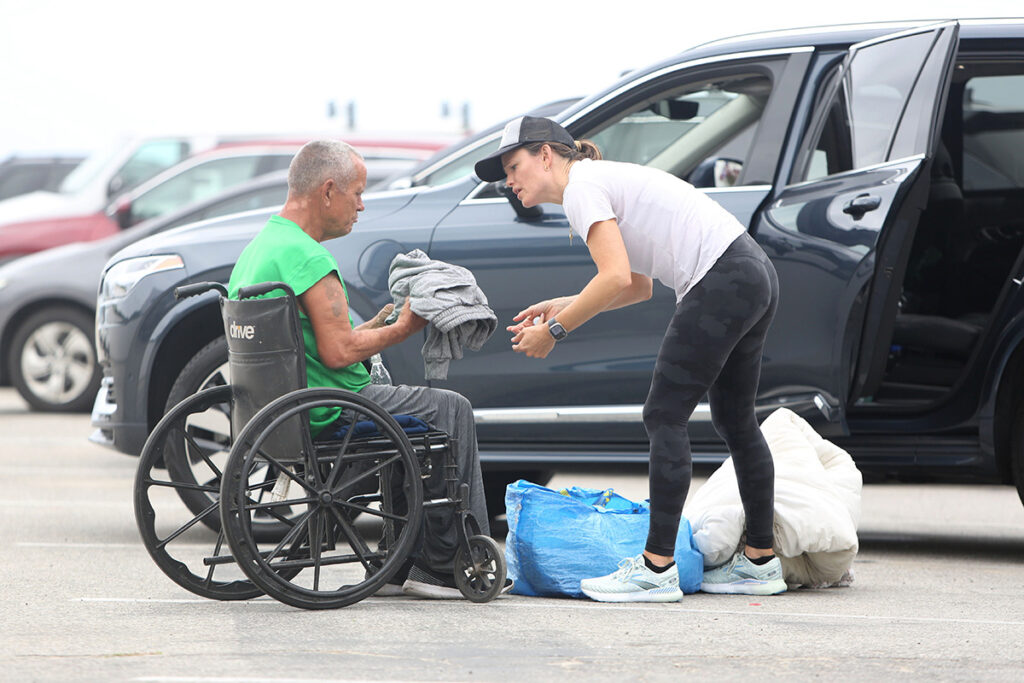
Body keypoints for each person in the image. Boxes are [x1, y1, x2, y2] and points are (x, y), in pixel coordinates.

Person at [474, 116, 785, 600]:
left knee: (664, 415)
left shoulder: (582, 188)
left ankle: (656, 569)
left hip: (721, 277)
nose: (508, 182)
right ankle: (760, 563)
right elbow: (635, 284)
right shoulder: (598, 182)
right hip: (750, 271)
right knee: (736, 421)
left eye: (513, 167)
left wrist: (556, 330)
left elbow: (616, 277)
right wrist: (565, 303)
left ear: (546, 155)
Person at [228, 139, 497, 599]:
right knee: (451, 410)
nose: (362, 204)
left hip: (276, 410)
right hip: (328, 409)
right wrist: (407, 325)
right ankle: (444, 565)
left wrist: (370, 329)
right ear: (328, 190)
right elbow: (338, 353)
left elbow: (313, 343)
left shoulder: (263, 247)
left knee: (410, 413)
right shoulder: (309, 257)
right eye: (357, 192)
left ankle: (402, 557)